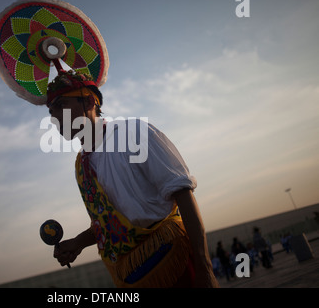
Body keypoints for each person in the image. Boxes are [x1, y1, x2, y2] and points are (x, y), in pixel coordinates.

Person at [47, 70, 218, 288]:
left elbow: (182, 193)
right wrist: (78, 243)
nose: (54, 117)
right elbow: (111, 224)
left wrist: (205, 269)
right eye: (51, 111)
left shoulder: (132, 133)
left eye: (61, 105)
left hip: (176, 268)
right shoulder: (81, 164)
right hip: (131, 278)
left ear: (89, 100)